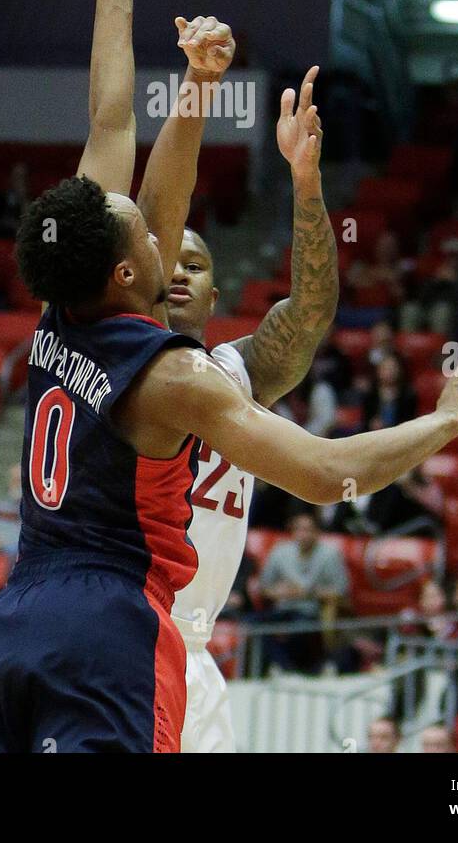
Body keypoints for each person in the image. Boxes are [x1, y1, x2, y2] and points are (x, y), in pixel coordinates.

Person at [0, 0, 458, 756]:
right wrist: (444, 422)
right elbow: (326, 477)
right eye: (146, 230)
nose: (145, 210)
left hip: (13, 624)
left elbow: (110, 122)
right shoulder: (176, 379)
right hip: (111, 633)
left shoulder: (63, 314)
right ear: (132, 273)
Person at [163, 65, 342, 747]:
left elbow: (311, 310)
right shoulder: (107, 362)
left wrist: (305, 180)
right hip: (120, 633)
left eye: (197, 263)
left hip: (195, 653)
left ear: (216, 297)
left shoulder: (237, 371)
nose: (179, 270)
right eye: (168, 258)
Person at [254, 510, 350, 675]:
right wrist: (279, 592)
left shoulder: (330, 554)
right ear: (292, 531)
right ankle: (284, 667)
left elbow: (341, 591)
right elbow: (264, 588)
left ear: (317, 532)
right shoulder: (280, 551)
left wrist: (307, 593)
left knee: (301, 627)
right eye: (299, 529)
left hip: (313, 609)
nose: (303, 534)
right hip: (283, 608)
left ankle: (299, 669)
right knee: (251, 623)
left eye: (308, 530)